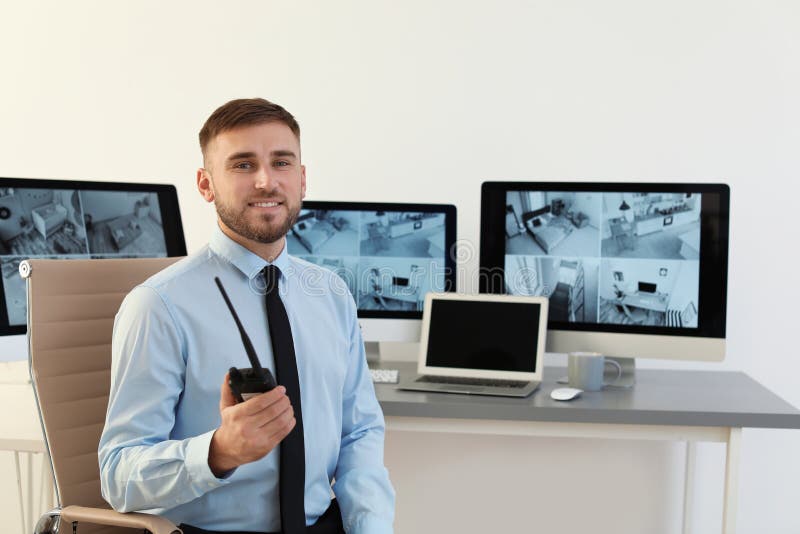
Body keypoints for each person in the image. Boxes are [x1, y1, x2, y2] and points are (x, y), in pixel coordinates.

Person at [99, 98, 395, 534]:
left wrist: (371, 528)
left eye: (281, 162)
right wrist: (218, 452)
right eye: (242, 165)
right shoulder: (158, 306)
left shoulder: (331, 294)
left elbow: (361, 433)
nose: (265, 181)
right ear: (205, 184)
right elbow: (118, 476)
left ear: (302, 178)